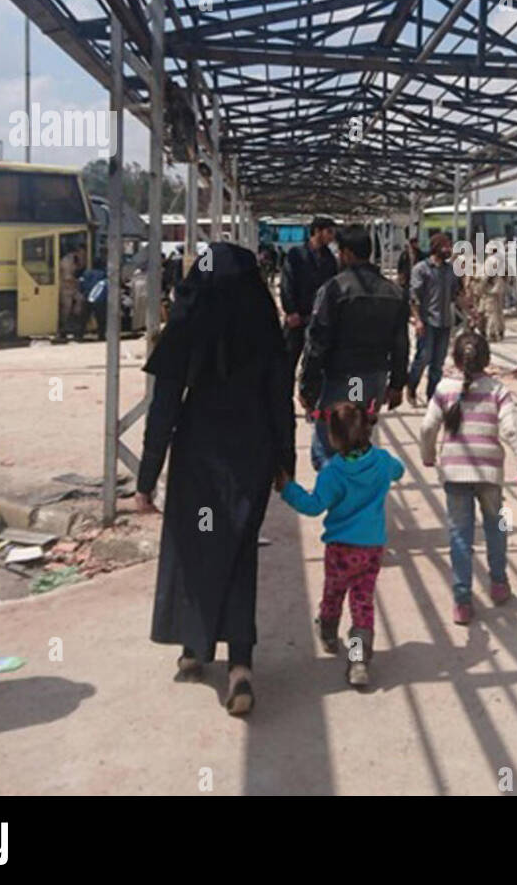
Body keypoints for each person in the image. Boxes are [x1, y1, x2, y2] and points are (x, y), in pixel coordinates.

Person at [133, 242, 295, 717]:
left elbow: (163, 407)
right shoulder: (264, 328)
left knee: (196, 541)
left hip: (199, 458)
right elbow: (279, 401)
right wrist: (285, 461)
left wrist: (146, 477)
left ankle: (195, 647)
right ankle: (240, 665)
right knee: (240, 550)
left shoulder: (186, 326)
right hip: (252, 454)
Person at [280, 401, 404, 689]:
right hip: (372, 546)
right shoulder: (382, 461)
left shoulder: (333, 473)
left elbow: (313, 506)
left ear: (334, 438)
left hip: (340, 548)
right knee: (363, 601)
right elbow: (399, 470)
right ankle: (359, 661)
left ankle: (328, 633)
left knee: (333, 593)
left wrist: (288, 488)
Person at [420, 330, 517, 625]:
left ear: (455, 359)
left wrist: (429, 455)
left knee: (460, 537)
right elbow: (512, 429)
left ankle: (462, 602)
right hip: (489, 475)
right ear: (487, 359)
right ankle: (498, 585)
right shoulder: (498, 390)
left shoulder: (443, 388)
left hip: (454, 474)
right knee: (496, 528)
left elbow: (427, 427)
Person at [299, 224, 409, 472]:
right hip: (374, 379)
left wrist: (308, 386)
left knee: (330, 443)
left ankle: (341, 495)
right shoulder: (394, 292)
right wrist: (397, 384)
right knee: (358, 439)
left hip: (346, 379)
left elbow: (317, 341)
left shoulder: (335, 289)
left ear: (347, 253)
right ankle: (355, 493)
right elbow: (401, 343)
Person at [406, 231, 466, 405]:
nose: (449, 249)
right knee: (423, 358)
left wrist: (470, 309)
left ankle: (432, 395)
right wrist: (417, 320)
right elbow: (414, 297)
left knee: (438, 363)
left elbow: (457, 294)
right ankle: (411, 386)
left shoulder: (450, 271)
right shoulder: (421, 269)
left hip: (445, 322)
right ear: (436, 247)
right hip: (427, 322)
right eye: (446, 245)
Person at [280, 216, 338, 386]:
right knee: (289, 361)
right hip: (298, 317)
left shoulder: (330, 259)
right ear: (317, 231)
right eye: (329, 232)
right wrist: (290, 311)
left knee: (316, 362)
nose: (332, 236)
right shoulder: (296, 254)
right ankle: (284, 400)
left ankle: (311, 400)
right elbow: (287, 283)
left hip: (320, 318)